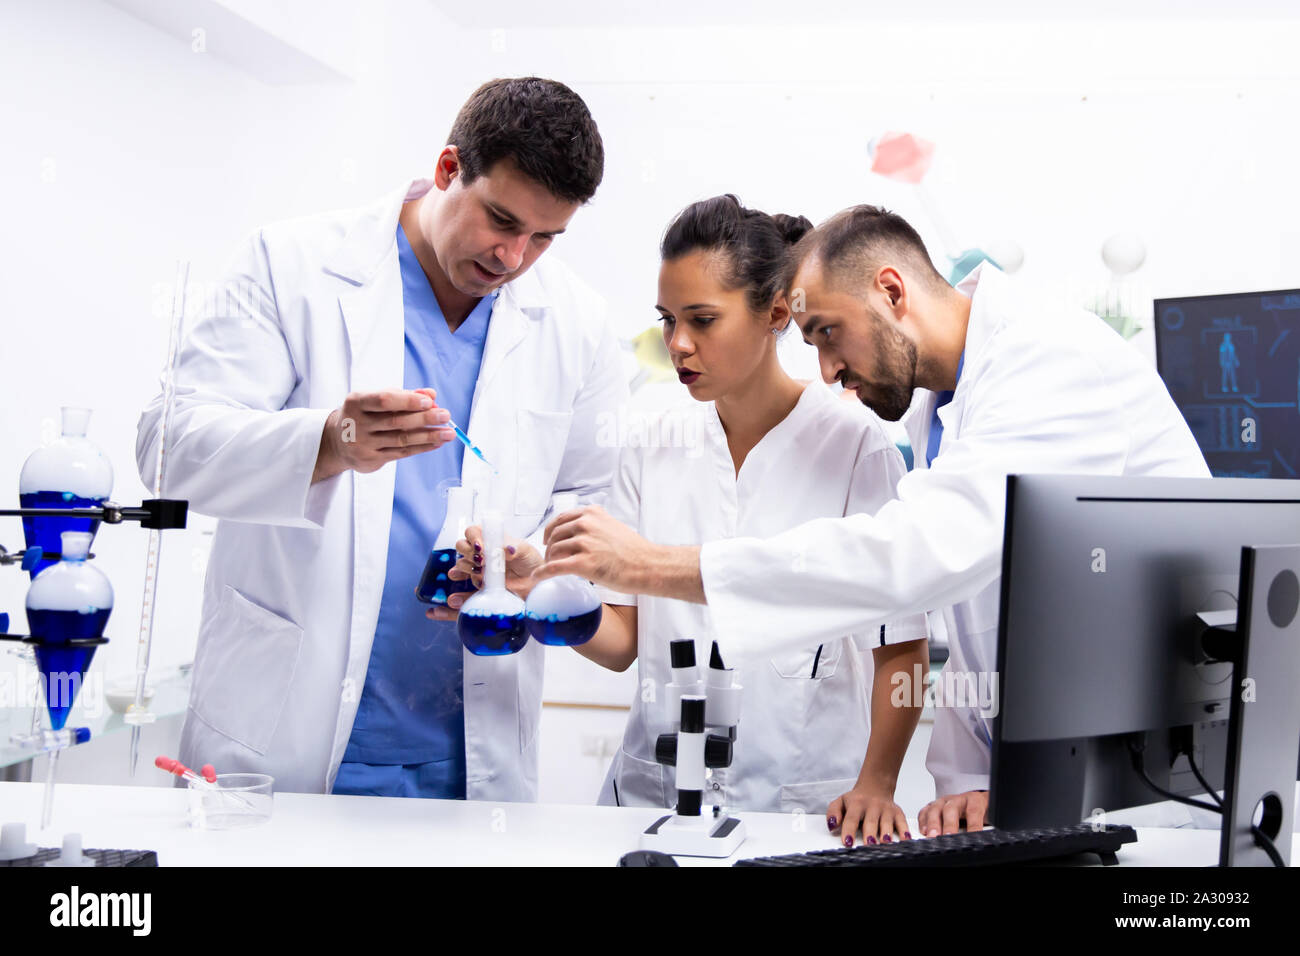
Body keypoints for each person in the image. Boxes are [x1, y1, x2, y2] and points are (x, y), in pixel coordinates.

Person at [529, 204, 1210, 837]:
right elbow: (977, 614)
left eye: (828, 333)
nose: (825, 370)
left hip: (1157, 778)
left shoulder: (1050, 361)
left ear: (891, 291)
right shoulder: (940, 406)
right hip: (1050, 777)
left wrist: (646, 564)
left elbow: (909, 563)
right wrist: (971, 775)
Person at [136, 77, 628, 800]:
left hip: (470, 749)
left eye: (544, 237)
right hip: (283, 733)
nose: (514, 258)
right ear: (447, 168)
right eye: (500, 219)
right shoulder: (289, 263)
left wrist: (530, 557)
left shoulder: (576, 322)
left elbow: (587, 502)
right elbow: (168, 446)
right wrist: (329, 443)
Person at [437, 196, 928, 841]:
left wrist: (877, 782)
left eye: (702, 319)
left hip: (797, 805)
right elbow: (621, 645)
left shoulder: (856, 446)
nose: (678, 345)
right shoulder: (650, 440)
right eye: (668, 321)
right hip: (652, 803)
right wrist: (536, 593)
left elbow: (903, 644)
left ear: (778, 312)